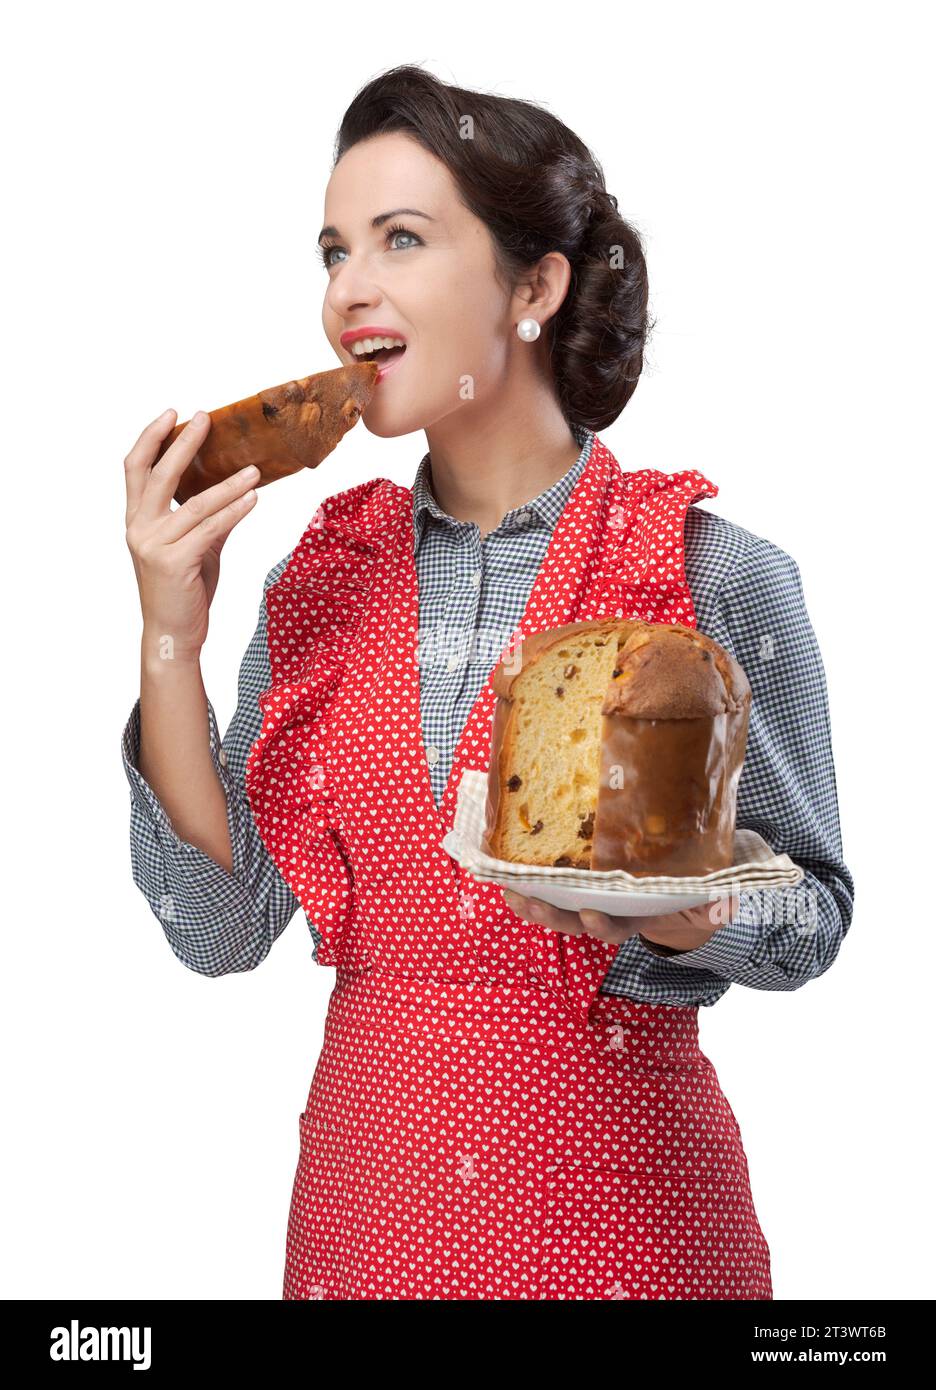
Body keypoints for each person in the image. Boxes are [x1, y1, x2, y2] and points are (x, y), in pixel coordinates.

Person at [121, 64, 854, 1300]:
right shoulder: (323, 578)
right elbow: (221, 926)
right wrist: (169, 639)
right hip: (364, 1227)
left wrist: (692, 916)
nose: (347, 290)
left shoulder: (709, 571)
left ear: (535, 284)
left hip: (629, 1233)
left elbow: (817, 918)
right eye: (333, 250)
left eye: (400, 240)